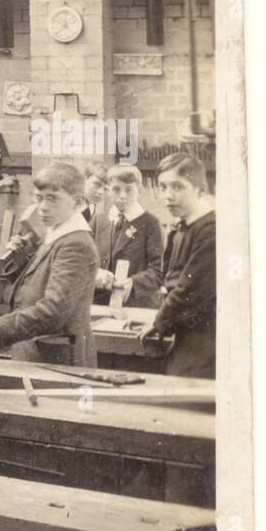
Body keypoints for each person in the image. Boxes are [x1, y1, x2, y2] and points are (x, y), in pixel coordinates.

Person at [0, 162, 98, 366]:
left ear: (78, 202)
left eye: (52, 199)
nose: (42, 207)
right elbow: (29, 288)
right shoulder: (55, 233)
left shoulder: (75, 244)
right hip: (38, 352)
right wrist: (22, 256)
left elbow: (54, 310)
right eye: (39, 198)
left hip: (59, 361)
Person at [147, 153, 216, 378]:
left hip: (206, 340)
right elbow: (170, 278)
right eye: (163, 187)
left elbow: (189, 288)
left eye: (178, 187)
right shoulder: (184, 225)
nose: (168, 196)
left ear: (199, 189)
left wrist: (159, 321)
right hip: (185, 332)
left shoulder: (210, 229)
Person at [91, 163, 164, 307]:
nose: (122, 196)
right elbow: (82, 258)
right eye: (116, 189)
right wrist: (95, 272)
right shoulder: (99, 220)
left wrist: (133, 282)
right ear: (108, 191)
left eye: (129, 190)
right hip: (99, 303)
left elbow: (157, 271)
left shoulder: (150, 223)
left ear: (140, 191)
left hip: (134, 303)